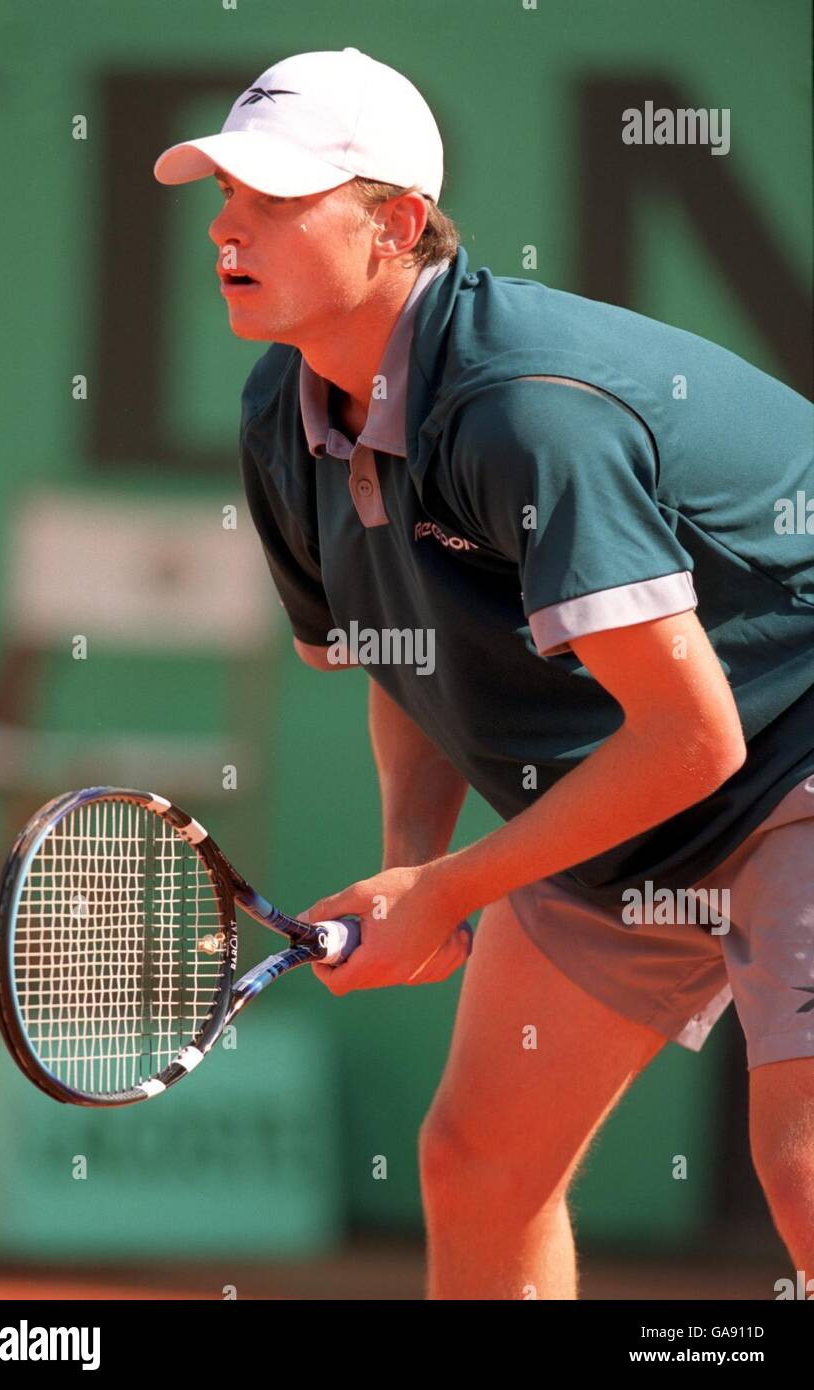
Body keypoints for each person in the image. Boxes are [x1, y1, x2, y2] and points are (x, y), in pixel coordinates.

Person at [155, 47, 814, 1300]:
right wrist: (419, 864)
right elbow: (407, 659)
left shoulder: (528, 410)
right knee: (478, 1165)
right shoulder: (280, 413)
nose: (228, 228)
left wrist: (453, 883)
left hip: (786, 749)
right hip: (627, 788)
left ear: (396, 224)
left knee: (804, 1171)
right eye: (224, 198)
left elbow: (697, 738)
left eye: (276, 201)